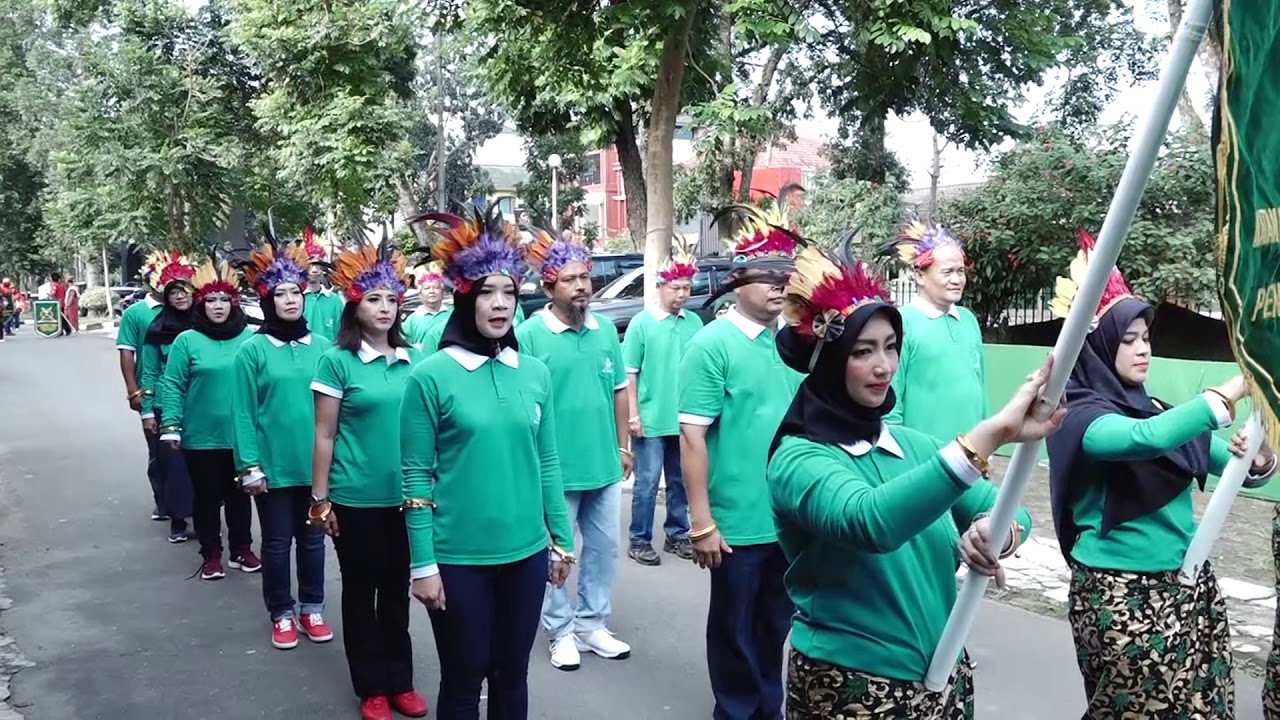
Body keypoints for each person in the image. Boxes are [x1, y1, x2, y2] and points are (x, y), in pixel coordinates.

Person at [766, 243, 1046, 719]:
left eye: (891, 347)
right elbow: (869, 522)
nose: (884, 366)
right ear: (831, 361)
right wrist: (991, 433)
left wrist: (995, 534)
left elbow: (1009, 508)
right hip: (848, 685)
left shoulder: (913, 445)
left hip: (942, 672)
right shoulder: (797, 459)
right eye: (863, 351)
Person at [1044, 231, 1277, 718]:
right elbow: (1142, 440)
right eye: (1128, 340)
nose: (1142, 349)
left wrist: (1255, 455)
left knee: (1201, 707)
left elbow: (1232, 466)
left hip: (1188, 586)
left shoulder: (1155, 408)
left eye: (1146, 338)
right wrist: (1239, 382)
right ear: (1100, 347)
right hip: (1120, 597)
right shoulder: (1078, 413)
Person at [401, 205, 574, 718]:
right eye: (487, 293)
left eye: (509, 292)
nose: (500, 305)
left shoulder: (535, 372)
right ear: (465, 297)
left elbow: (547, 461)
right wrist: (423, 563)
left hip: (523, 553)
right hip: (457, 557)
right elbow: (413, 474)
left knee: (511, 673)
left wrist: (560, 541)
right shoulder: (430, 376)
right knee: (463, 674)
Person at [679, 187, 805, 720]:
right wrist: (703, 521)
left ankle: (767, 710)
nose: (779, 284)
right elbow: (691, 437)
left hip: (789, 517)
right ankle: (734, 711)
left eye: (785, 275)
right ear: (738, 280)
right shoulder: (712, 344)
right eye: (767, 274)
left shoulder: (795, 342)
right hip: (734, 522)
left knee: (775, 625)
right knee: (733, 629)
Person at [308, 239, 428, 720]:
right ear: (354, 304)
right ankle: (370, 686)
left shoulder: (414, 358)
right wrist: (320, 500)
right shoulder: (337, 361)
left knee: (398, 591)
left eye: (392, 299)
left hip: (406, 500)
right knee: (361, 592)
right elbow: (324, 433)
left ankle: (401, 680)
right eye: (374, 299)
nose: (384, 308)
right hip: (355, 499)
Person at [517, 227, 633, 671]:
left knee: (603, 550)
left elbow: (620, 390)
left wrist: (623, 447)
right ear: (550, 285)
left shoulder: (605, 329)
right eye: (570, 279)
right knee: (558, 554)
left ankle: (591, 624)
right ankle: (560, 631)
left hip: (603, 463)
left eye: (585, 277)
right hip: (554, 470)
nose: (582, 285)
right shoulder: (529, 334)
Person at [232, 233, 334, 651]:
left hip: (317, 466)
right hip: (272, 468)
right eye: (281, 294)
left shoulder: (325, 349)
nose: (291, 300)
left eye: (297, 291)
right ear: (267, 300)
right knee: (276, 542)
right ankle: (281, 611)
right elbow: (242, 413)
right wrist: (249, 466)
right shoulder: (253, 351)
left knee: (313, 540)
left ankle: (312, 606)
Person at [159, 257, 259, 579]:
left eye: (224, 300)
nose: (218, 306)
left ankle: (241, 549)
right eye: (211, 300)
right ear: (201, 304)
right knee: (206, 498)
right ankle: (211, 553)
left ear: (234, 302)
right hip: (201, 436)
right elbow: (173, 385)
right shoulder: (187, 340)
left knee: (240, 496)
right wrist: (171, 426)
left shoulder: (250, 340)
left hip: (242, 436)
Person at [622, 239, 702, 566]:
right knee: (647, 481)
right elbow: (630, 374)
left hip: (683, 419)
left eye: (686, 288)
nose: (681, 294)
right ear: (660, 287)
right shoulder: (642, 323)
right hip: (651, 419)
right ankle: (639, 540)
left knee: (681, 480)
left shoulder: (694, 323)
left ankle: (677, 534)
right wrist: (633, 416)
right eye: (675, 288)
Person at [880, 222, 988, 441]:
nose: (957, 280)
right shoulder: (901, 322)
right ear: (920, 276)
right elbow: (890, 395)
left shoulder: (968, 319)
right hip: (923, 455)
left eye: (960, 271)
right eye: (947, 272)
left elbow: (980, 383)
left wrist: (987, 436)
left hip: (973, 451)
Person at [139, 261, 199, 543]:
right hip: (167, 404)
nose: (180, 296)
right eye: (174, 292)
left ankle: (204, 516)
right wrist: (147, 411)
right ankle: (178, 519)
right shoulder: (157, 328)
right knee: (175, 464)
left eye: (185, 291)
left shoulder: (206, 323)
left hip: (201, 403)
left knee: (204, 465)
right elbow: (149, 372)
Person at [117, 254, 173, 521]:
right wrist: (133, 390)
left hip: (188, 395)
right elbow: (127, 352)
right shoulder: (136, 313)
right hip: (152, 392)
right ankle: (163, 501)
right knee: (158, 450)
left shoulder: (187, 309)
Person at [303, 226, 345, 340]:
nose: (315, 270)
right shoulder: (297, 299)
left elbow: (341, 332)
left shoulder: (335, 300)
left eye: (318, 265)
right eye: (310, 265)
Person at [402, 261, 451, 349]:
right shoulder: (412, 320)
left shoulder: (453, 314)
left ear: (443, 293)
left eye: (436, 287)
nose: (431, 291)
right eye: (427, 288)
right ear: (420, 294)